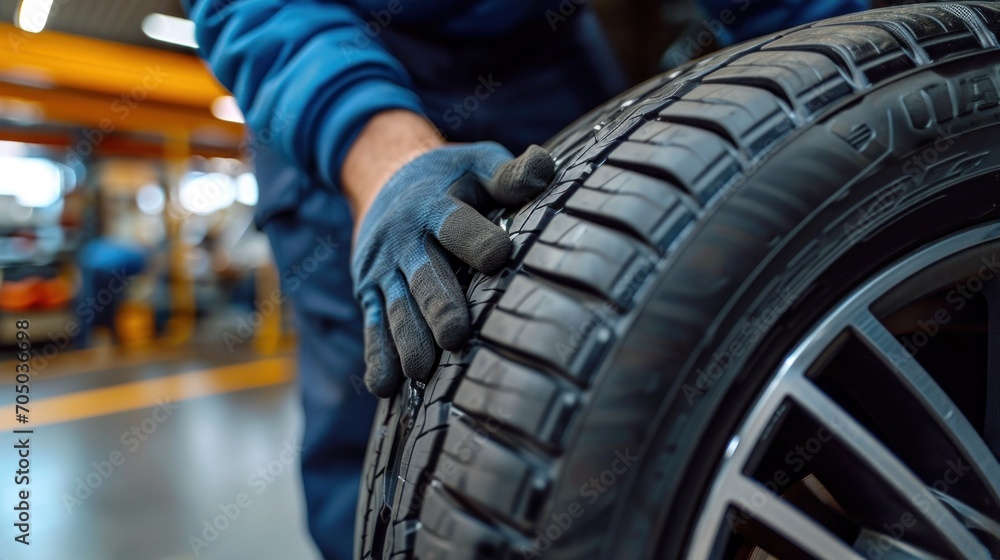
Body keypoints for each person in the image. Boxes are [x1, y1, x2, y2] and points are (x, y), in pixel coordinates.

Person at [183, 1, 867, 558]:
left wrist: (855, 99)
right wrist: (379, 159)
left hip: (541, 54)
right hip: (339, 57)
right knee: (391, 405)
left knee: (620, 354)